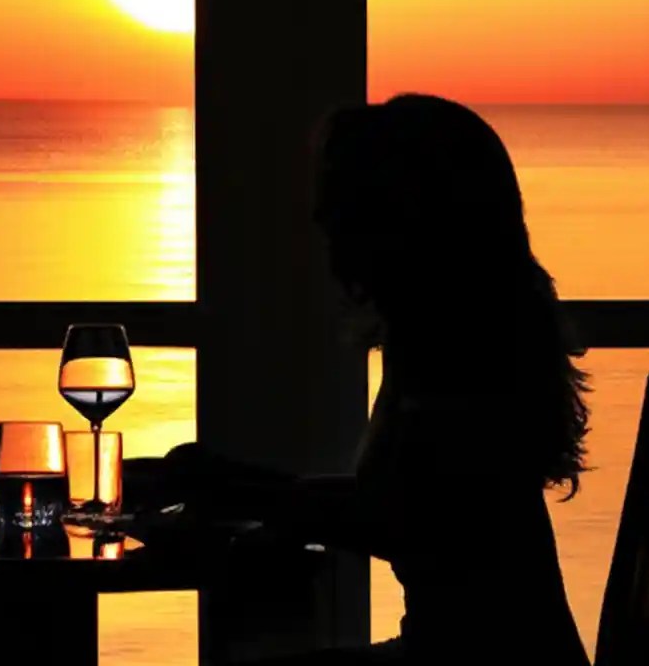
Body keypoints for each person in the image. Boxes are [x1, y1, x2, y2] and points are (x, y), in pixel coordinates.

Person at [141, 95, 592, 665]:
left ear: (399, 215)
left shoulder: (452, 357)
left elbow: (396, 519)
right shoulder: (456, 339)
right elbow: (403, 504)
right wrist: (226, 480)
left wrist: (231, 486)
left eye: (340, 197)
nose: (320, 217)